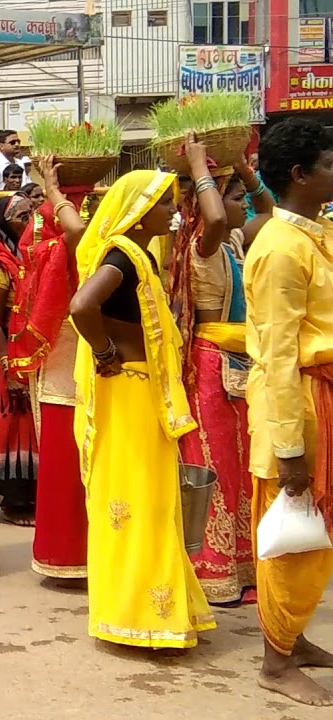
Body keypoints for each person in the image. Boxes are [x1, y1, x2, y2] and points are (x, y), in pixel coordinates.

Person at [69, 157, 215, 650]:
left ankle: (151, 610)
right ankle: (143, 618)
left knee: (148, 502)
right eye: (164, 205)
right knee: (140, 502)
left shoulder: (138, 256)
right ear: (139, 212)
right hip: (129, 389)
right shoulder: (123, 257)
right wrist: (104, 352)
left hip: (137, 389)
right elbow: (81, 306)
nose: (173, 213)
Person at [245, 117, 333, 706]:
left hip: (319, 397)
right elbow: (277, 355)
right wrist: (291, 449)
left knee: (315, 531)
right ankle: (275, 664)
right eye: (328, 164)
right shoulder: (280, 249)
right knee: (295, 533)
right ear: (299, 174)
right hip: (296, 404)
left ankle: (293, 640)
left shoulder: (314, 233)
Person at [167, 156, 271, 607]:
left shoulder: (233, 241)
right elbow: (211, 215)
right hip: (212, 367)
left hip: (241, 363)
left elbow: (269, 212)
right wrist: (200, 168)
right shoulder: (202, 244)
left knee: (243, 472)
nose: (244, 205)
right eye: (236, 198)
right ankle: (215, 573)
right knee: (219, 469)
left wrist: (245, 171)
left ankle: (243, 570)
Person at [8, 157, 88, 582]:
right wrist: (55, 194)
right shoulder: (52, 235)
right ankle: (67, 554)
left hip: (86, 349)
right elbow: (75, 236)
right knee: (66, 458)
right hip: (62, 355)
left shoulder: (86, 229)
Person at [0, 194, 38, 526]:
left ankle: (32, 493)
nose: (30, 221)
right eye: (22, 216)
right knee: (13, 419)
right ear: (4, 224)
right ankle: (13, 499)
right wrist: (9, 369)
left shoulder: (23, 256)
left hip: (27, 351)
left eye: (31, 214)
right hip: (6, 354)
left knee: (30, 422)